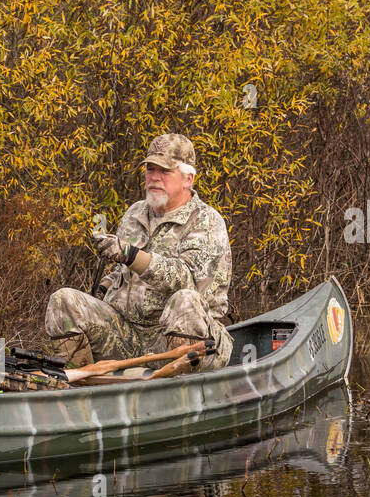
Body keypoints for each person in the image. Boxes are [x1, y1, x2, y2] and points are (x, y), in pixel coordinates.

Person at [45, 133, 234, 371]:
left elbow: (188, 282)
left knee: (185, 300)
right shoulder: (135, 213)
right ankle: (82, 389)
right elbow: (121, 272)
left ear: (188, 179)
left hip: (187, 341)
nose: (154, 177)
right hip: (129, 337)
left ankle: (180, 396)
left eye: (164, 171)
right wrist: (106, 285)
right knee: (64, 301)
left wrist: (131, 254)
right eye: (150, 169)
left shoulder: (206, 221)